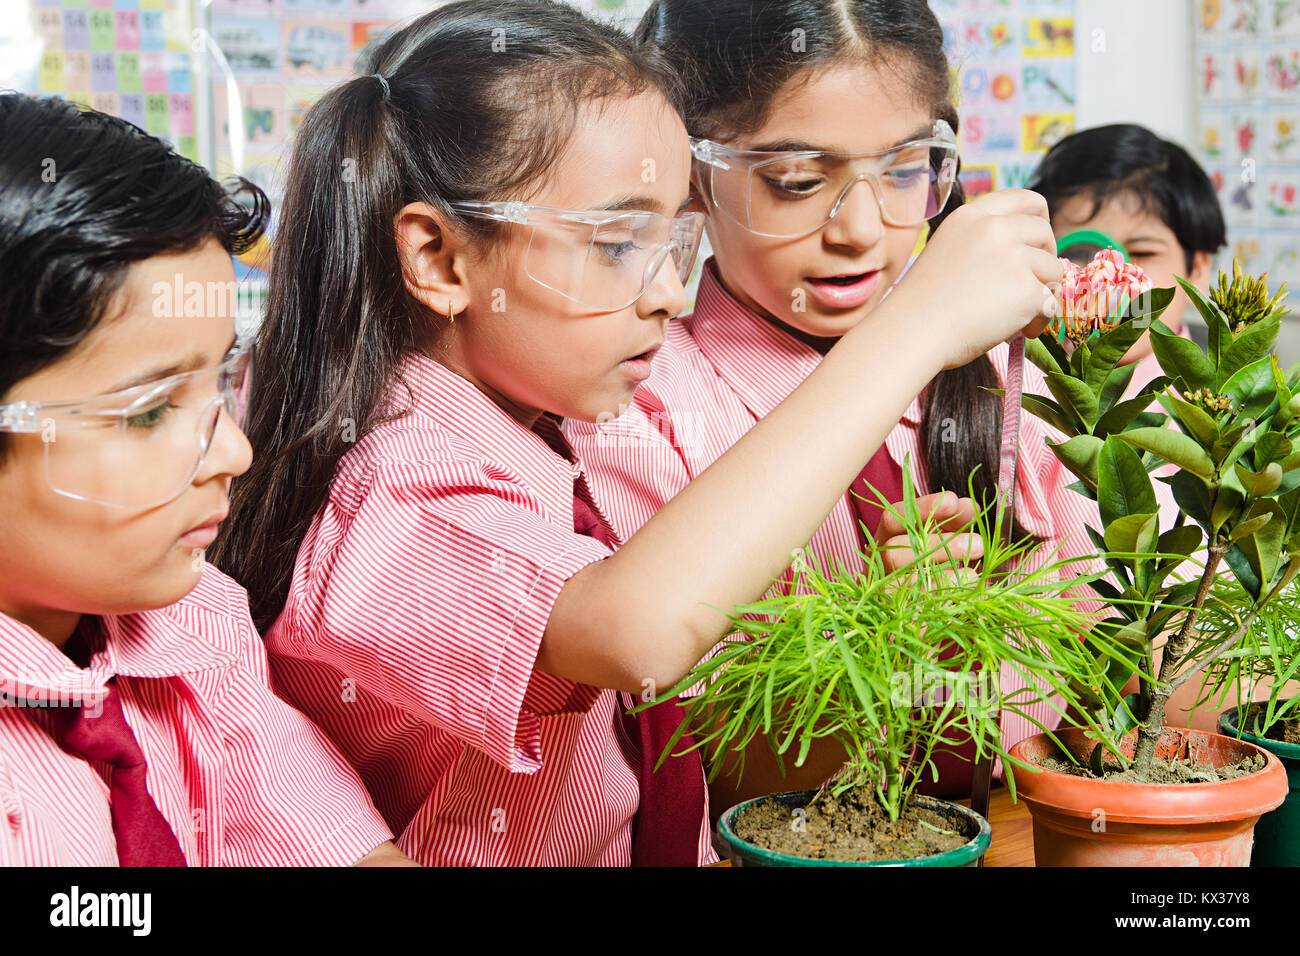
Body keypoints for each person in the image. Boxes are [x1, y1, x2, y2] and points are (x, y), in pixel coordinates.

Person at [211, 0, 1059, 865]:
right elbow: (635, 632)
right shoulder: (392, 490)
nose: (664, 292)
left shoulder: (533, 440)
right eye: (617, 244)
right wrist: (912, 329)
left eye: (672, 242)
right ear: (438, 258)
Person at [562, 0, 1099, 808]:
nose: (859, 229)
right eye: (796, 182)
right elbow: (677, 765)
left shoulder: (1002, 368)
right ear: (690, 174)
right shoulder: (634, 407)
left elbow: (1108, 664)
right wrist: (879, 643)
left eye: (905, 168)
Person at [0, 93, 410, 866]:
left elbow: (335, 844)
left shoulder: (196, 624)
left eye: (220, 384)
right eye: (152, 413)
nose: (233, 455)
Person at [1030, 123, 1226, 396]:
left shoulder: (1232, 408)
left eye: (1144, 253)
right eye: (1079, 253)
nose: (1112, 281)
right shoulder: (1008, 383)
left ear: (1197, 272)